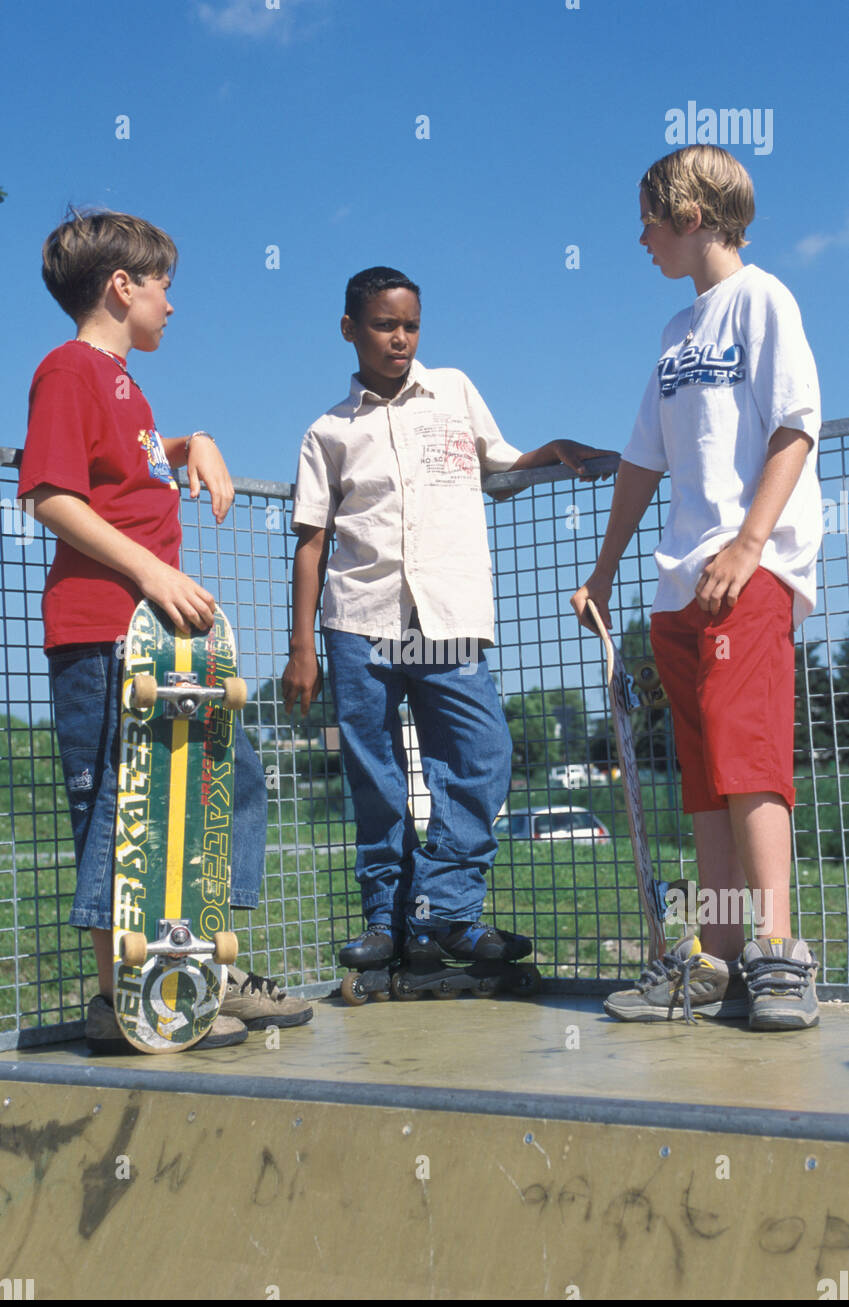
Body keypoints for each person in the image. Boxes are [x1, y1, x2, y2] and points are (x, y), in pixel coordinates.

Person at [17, 208, 312, 1052]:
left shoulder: (126, 387)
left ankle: (202, 975)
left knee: (222, 785)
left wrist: (192, 442)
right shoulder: (68, 370)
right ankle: (118, 1001)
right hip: (107, 633)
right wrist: (150, 573)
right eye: (163, 289)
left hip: (163, 638)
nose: (171, 307)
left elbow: (129, 462)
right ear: (122, 287)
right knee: (126, 809)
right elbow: (51, 494)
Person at [282, 265, 608, 991]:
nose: (399, 339)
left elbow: (502, 466)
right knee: (378, 779)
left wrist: (554, 448)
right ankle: (385, 924)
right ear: (349, 330)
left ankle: (447, 911)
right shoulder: (328, 431)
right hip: (359, 622)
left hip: (446, 616)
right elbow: (311, 541)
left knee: (482, 755)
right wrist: (301, 645)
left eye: (410, 325)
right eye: (383, 325)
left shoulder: (454, 391)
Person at [571, 146, 822, 1029]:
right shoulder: (676, 335)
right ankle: (714, 960)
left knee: (751, 764)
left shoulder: (763, 300)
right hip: (679, 586)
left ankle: (777, 955)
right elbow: (644, 461)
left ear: (688, 215)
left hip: (743, 576)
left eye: (648, 219)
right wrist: (602, 570)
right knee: (707, 779)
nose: (639, 238)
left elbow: (796, 427)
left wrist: (750, 547)